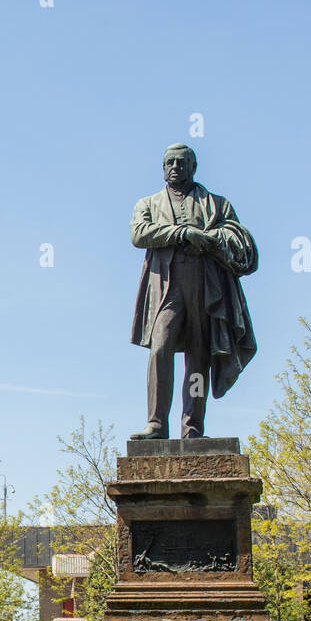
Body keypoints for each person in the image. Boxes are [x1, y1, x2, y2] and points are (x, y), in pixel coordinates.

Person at [128, 143, 258, 440]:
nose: (175, 167)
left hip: (205, 287)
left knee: (199, 357)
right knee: (160, 347)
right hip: (166, 286)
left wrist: (211, 238)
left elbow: (236, 235)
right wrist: (182, 233)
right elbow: (139, 233)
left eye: (182, 162)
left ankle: (193, 428)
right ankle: (156, 424)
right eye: (170, 162)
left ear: (193, 167)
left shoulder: (216, 204)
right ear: (162, 169)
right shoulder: (147, 204)